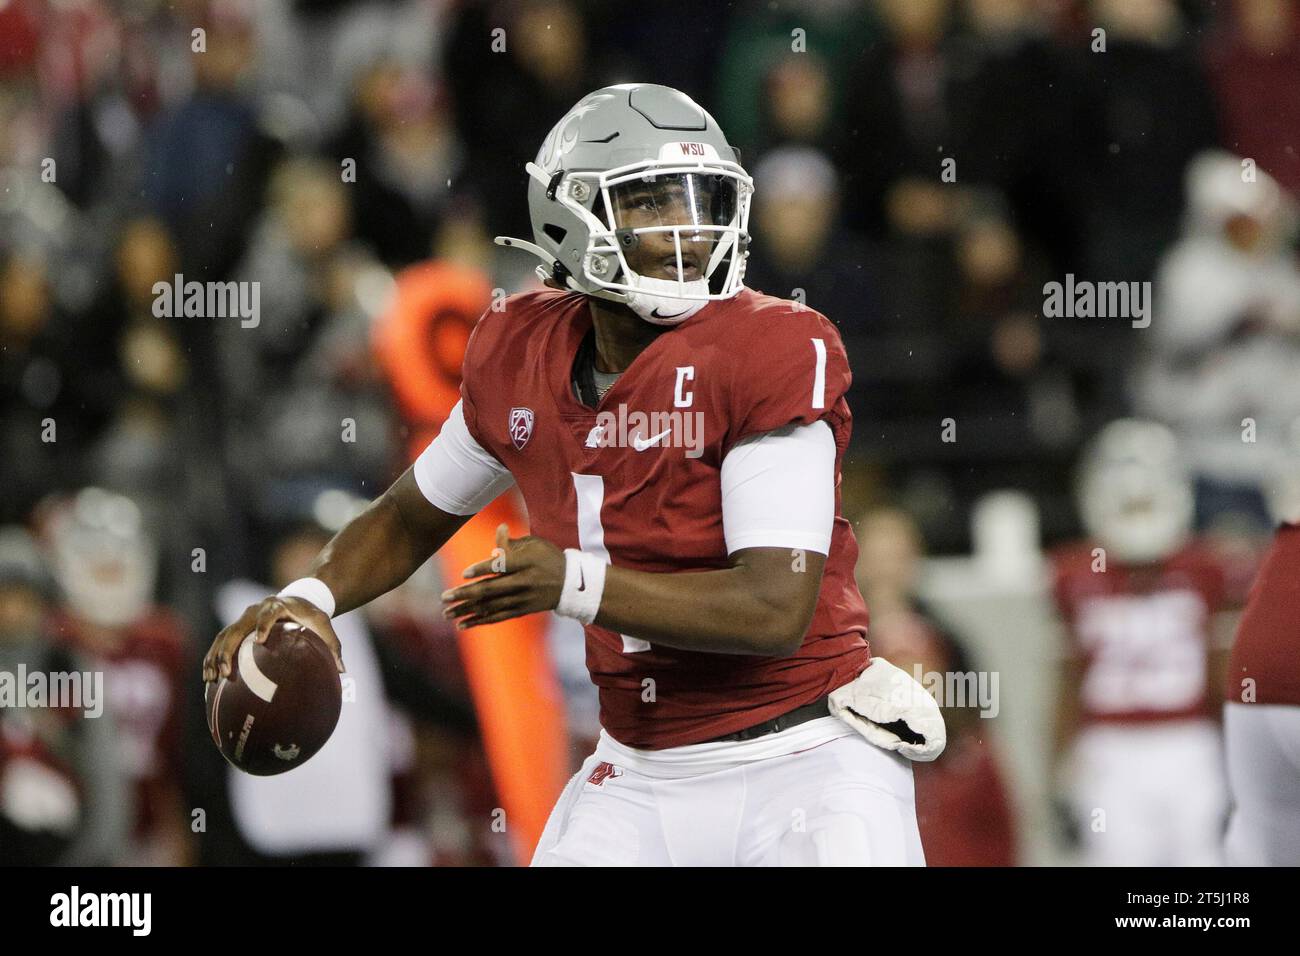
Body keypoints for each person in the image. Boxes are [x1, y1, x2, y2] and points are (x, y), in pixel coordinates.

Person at [204, 84, 943, 867]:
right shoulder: (519, 350)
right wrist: (306, 599)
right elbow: (409, 514)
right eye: (653, 203)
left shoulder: (769, 347)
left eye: (702, 199)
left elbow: (773, 605)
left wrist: (572, 582)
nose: (688, 228)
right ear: (572, 216)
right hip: (640, 766)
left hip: (806, 756)